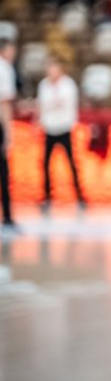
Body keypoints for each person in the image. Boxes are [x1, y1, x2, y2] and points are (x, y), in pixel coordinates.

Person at [37, 57, 86, 210]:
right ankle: (46, 197)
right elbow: (43, 106)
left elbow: (66, 105)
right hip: (49, 129)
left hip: (64, 129)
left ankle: (79, 196)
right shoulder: (44, 85)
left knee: (71, 163)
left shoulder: (68, 85)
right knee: (46, 164)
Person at [1, 38, 19, 234]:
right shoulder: (4, 69)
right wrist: (8, 132)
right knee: (4, 172)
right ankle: (7, 217)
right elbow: (4, 103)